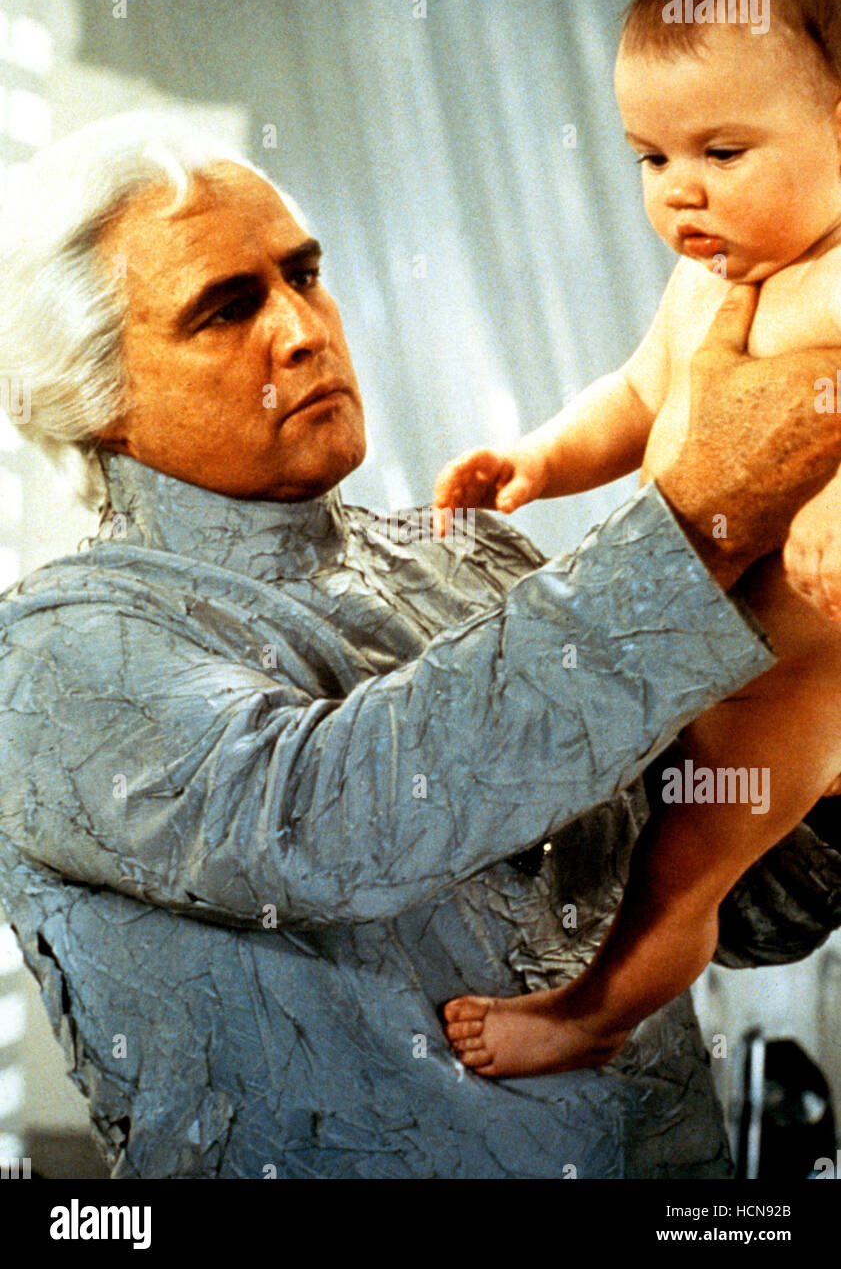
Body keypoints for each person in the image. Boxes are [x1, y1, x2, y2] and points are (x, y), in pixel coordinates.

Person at [0, 115, 841, 1181]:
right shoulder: (51, 657)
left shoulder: (477, 560)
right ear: (97, 397)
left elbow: (742, 906)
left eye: (304, 274)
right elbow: (334, 823)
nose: (304, 329)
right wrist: (690, 523)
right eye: (228, 309)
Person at [436, 0, 841, 1078]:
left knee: (684, 864)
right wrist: (539, 461)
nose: (681, 194)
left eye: (721, 151)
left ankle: (593, 1012)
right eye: (650, 159)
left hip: (792, 681)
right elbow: (632, 392)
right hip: (681, 650)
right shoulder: (703, 277)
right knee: (600, 815)